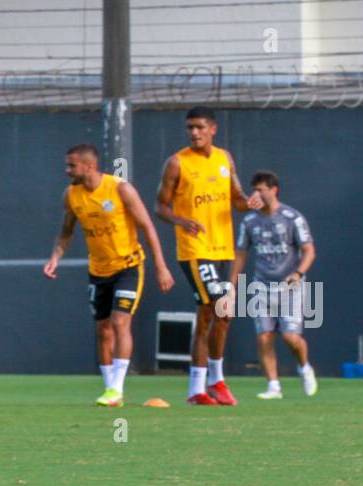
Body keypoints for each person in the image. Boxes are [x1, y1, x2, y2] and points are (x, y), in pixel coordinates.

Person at [44, 144, 174, 406]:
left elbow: (147, 227)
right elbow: (66, 231)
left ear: (89, 166)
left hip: (128, 266)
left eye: (72, 165)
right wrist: (55, 258)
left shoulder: (120, 189)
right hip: (98, 271)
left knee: (120, 322)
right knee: (103, 330)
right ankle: (109, 390)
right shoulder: (71, 195)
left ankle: (117, 388)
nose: (67, 170)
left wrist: (161, 266)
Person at [155, 107, 262, 405]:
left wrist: (250, 202)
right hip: (195, 250)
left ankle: (209, 384)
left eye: (200, 127)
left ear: (213, 128)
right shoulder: (177, 163)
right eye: (190, 127)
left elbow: (237, 199)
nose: (194, 133)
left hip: (222, 247)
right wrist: (180, 220)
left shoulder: (224, 159)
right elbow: (160, 206)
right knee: (214, 309)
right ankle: (202, 387)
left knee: (220, 315)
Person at [232, 170, 318, 400]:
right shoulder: (249, 221)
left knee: (290, 337)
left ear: (273, 190)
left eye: (260, 189)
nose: (256, 194)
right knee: (264, 337)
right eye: (254, 189)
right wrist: (231, 286)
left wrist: (299, 273)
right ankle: (273, 386)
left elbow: (309, 250)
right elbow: (240, 253)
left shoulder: (293, 218)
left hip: (290, 285)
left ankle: (304, 367)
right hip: (261, 285)